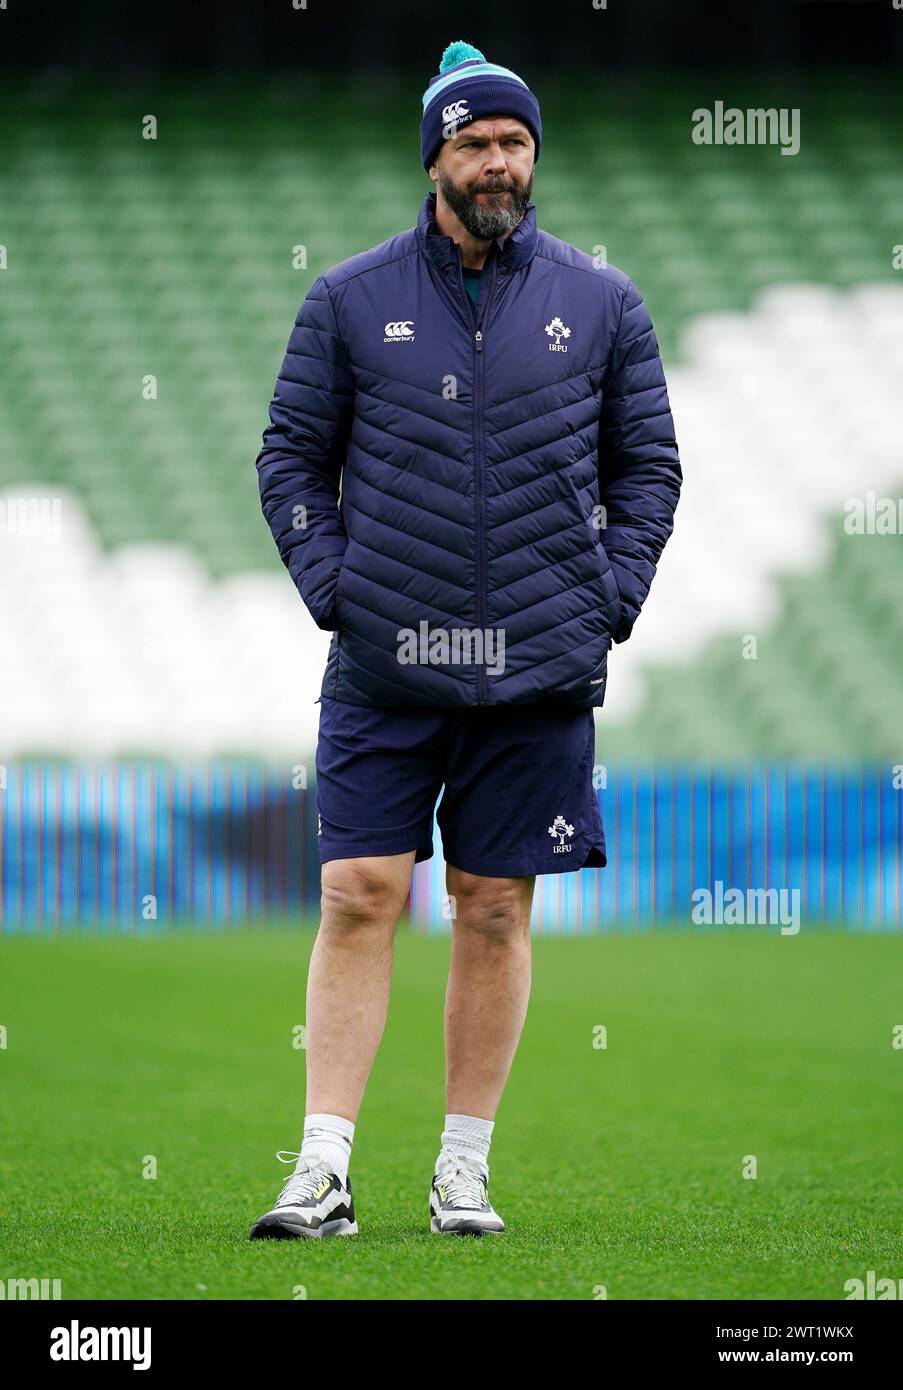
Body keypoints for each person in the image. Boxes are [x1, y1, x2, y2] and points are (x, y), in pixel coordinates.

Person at [249, 40, 681, 1239]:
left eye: (516, 141)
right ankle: (322, 1169)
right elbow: (288, 459)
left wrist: (608, 598)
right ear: (434, 157)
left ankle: (462, 1173)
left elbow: (649, 469)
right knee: (357, 891)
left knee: (493, 906)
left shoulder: (603, 303)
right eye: (475, 141)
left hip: (539, 666)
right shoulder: (348, 298)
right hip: (388, 659)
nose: (499, 161)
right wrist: (340, 589)